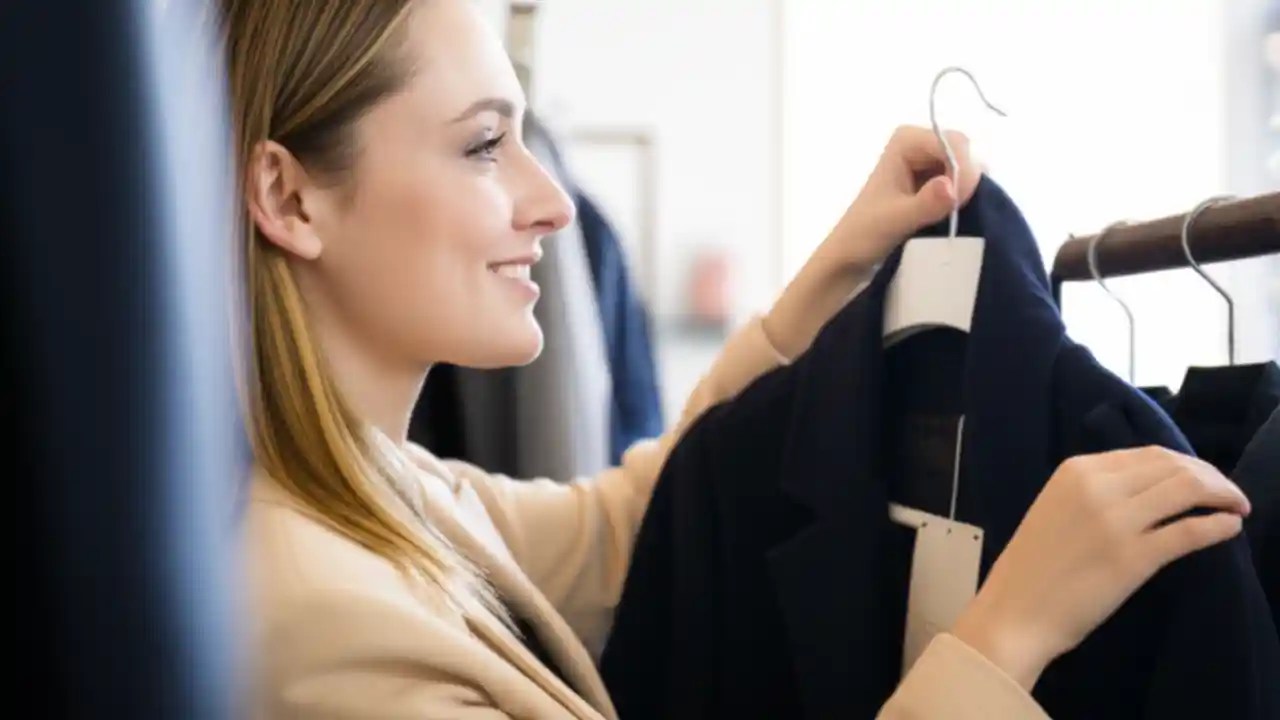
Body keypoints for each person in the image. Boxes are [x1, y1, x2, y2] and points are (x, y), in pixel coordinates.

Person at [226, 1, 1253, 717]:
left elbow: (624, 526)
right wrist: (1005, 641)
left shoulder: (382, 491)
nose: (550, 204)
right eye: (483, 146)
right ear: (289, 198)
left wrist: (835, 270)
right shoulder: (319, 622)